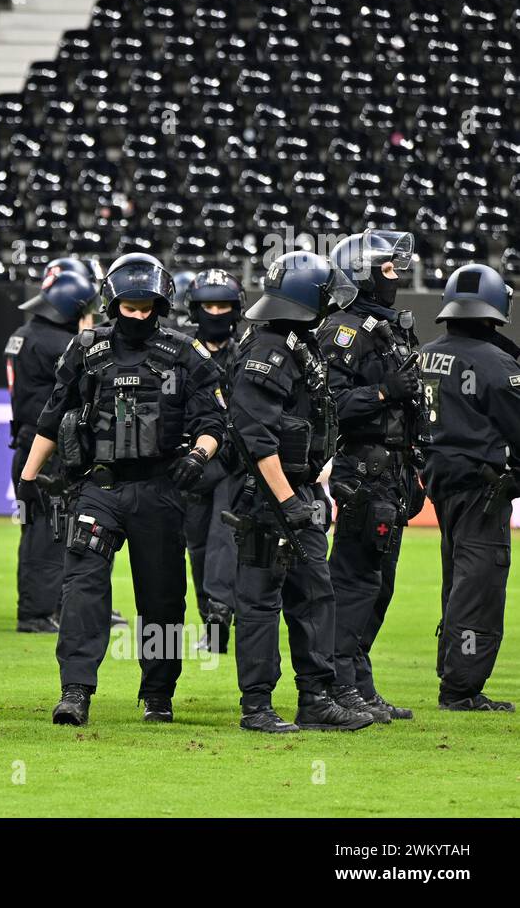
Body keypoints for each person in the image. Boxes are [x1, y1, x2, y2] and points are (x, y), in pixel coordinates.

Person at [18, 253, 226, 726]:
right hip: (99, 487)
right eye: (128, 307)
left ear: (161, 304)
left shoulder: (187, 353)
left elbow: (214, 421)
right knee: (82, 588)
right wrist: (28, 478)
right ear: (113, 304)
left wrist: (200, 454)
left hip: (161, 489)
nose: (137, 314)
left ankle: (158, 695)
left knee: (162, 597)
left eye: (145, 306)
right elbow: (52, 416)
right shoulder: (85, 350)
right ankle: (75, 691)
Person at [226, 250, 374, 733]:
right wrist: (286, 499)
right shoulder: (268, 351)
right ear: (307, 299)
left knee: (315, 595)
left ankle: (316, 698)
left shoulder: (296, 343)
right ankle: (257, 707)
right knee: (261, 602)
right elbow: (256, 436)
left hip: (301, 492)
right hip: (270, 498)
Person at [319, 230, 423, 722]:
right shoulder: (344, 330)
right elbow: (329, 405)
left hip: (395, 469)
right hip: (365, 468)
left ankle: (359, 681)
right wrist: (382, 393)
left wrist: (416, 466)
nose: (397, 276)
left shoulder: (393, 328)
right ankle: (338, 686)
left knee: (380, 584)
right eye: (387, 268)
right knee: (355, 579)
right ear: (362, 273)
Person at [419, 263, 520, 712]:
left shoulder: (425, 354)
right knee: (477, 586)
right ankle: (460, 688)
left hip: (440, 484)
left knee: (457, 581)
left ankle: (454, 673)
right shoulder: (499, 365)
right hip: (484, 490)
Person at [4, 258, 99, 633]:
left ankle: (48, 607)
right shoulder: (62, 344)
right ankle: (37, 612)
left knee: (38, 530)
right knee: (49, 532)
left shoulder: (24, 333)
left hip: (25, 442)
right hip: (50, 448)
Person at [182, 269, 245, 653]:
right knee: (197, 544)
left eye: (224, 305)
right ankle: (210, 616)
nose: (217, 312)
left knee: (225, 537)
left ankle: (221, 612)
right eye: (209, 305)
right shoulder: (180, 352)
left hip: (234, 461)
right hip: (192, 460)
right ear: (195, 309)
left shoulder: (249, 351)